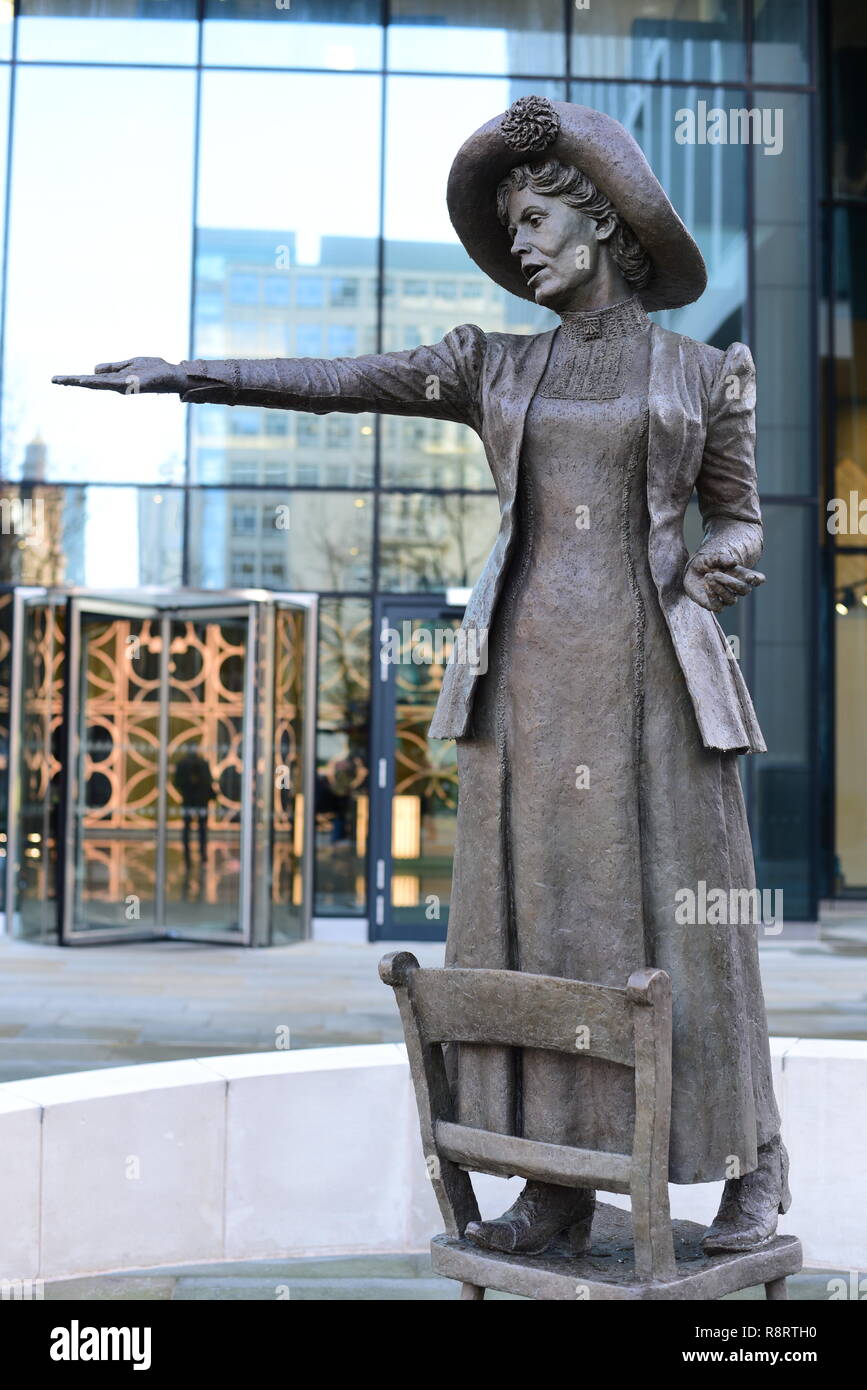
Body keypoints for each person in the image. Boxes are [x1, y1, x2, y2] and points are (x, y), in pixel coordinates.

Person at [53, 96, 788, 1258]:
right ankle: (556, 1184)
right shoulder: (491, 366)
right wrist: (188, 375)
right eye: (513, 227)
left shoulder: (705, 373)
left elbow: (743, 521)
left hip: (659, 687)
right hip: (528, 687)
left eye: (538, 219)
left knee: (689, 932)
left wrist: (720, 564)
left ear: (600, 224)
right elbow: (347, 377)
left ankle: (751, 1171)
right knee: (534, 934)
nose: (522, 246)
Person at [172, 744, 215, 867]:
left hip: (193, 800)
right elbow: (209, 780)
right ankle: (199, 855)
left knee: (192, 828)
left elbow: (177, 782)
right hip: (197, 800)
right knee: (199, 829)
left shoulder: (188, 763)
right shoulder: (201, 763)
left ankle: (191, 856)